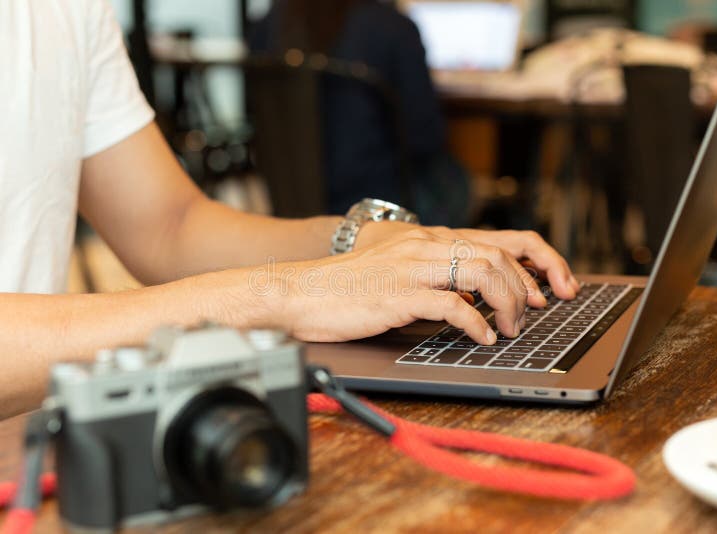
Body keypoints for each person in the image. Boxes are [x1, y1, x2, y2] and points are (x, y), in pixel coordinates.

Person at [0, 0, 578, 419]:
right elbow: (426, 139)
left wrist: (359, 242)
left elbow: (169, 226)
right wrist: (281, 295)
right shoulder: (389, 27)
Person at [248, 0, 469, 224]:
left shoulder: (266, 27)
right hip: (380, 205)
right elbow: (424, 138)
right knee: (457, 179)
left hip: (291, 204)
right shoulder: (393, 28)